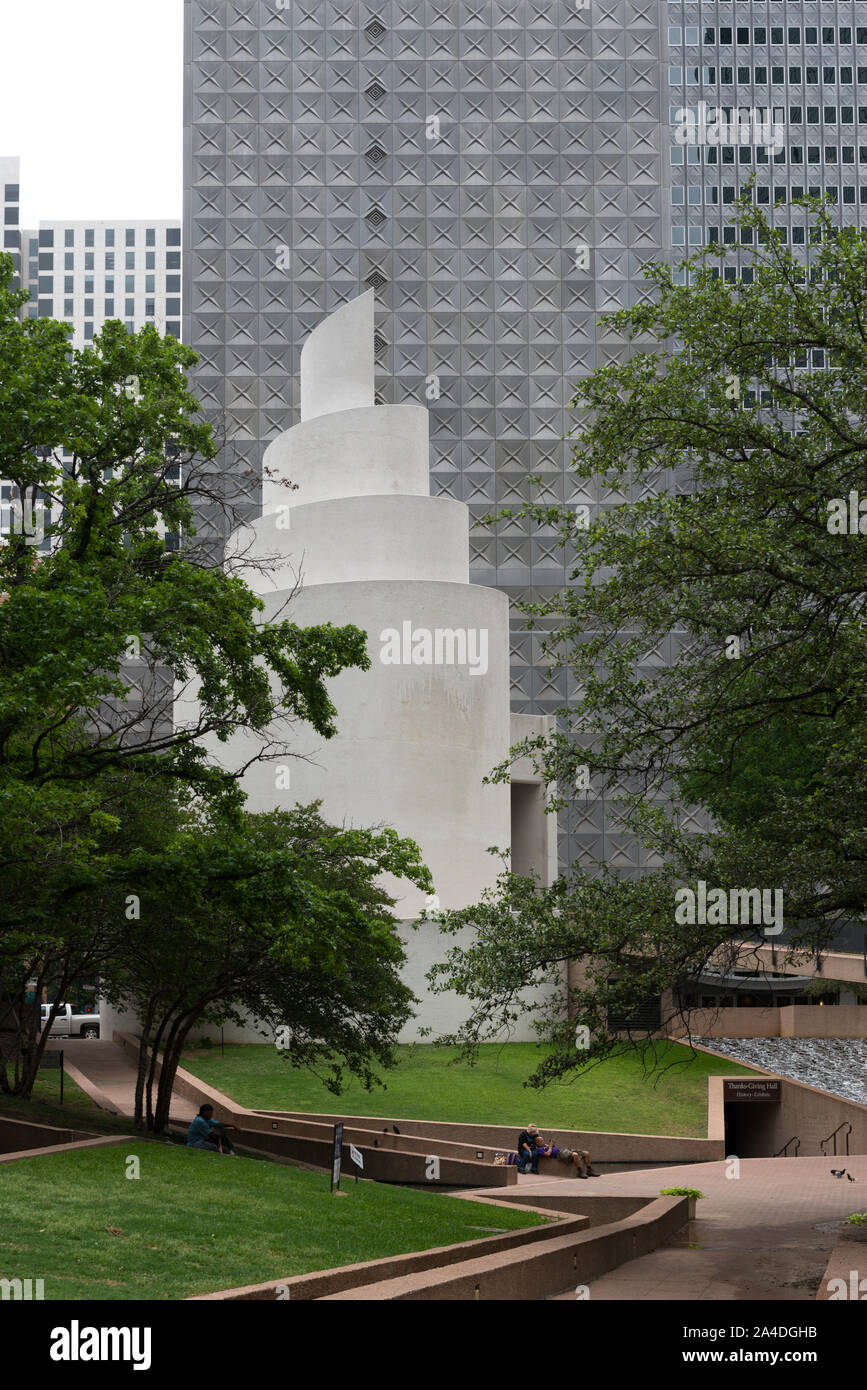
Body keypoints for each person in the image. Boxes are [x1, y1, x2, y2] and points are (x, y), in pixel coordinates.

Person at [534, 1130, 601, 1178]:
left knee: (586, 1153)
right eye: (541, 1141)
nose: (543, 1142)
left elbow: (551, 1148)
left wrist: (550, 1144)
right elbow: (548, 1154)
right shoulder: (539, 1150)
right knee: (575, 1155)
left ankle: (589, 1170)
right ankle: (580, 1171)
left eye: (543, 1140)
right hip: (559, 1154)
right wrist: (550, 1146)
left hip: (564, 1150)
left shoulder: (545, 1146)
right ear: (537, 1143)